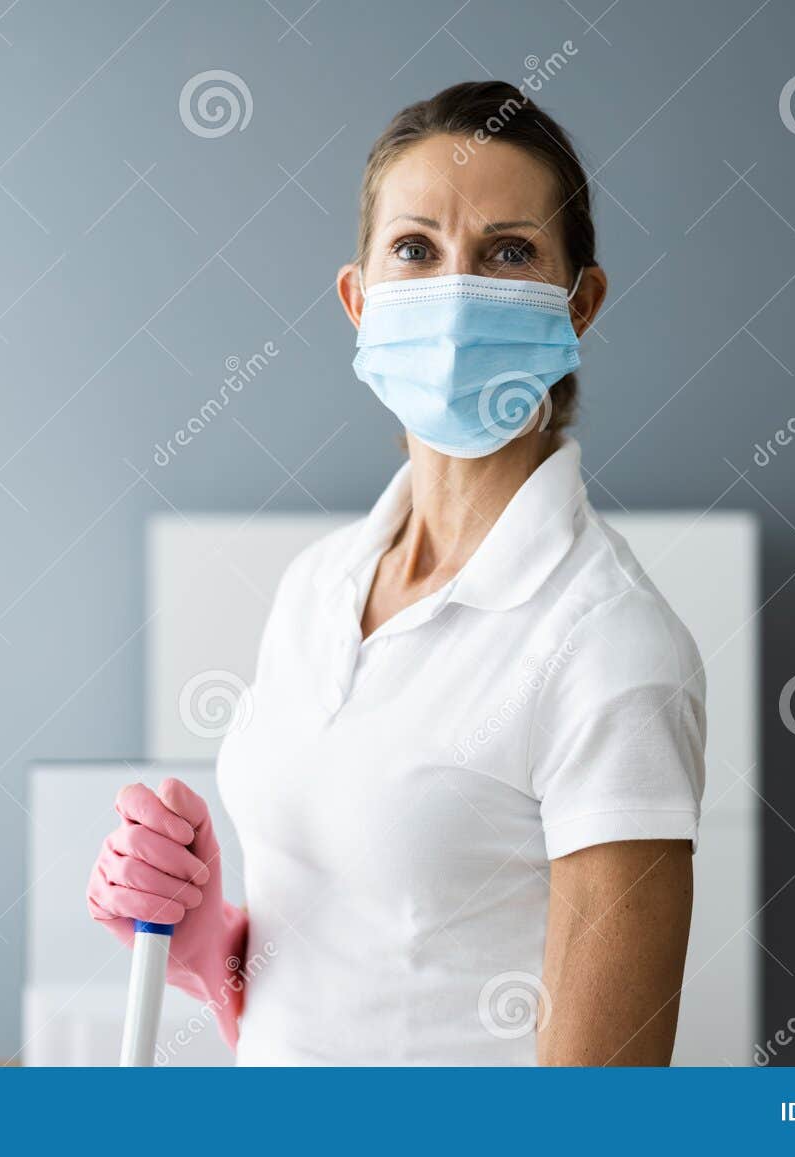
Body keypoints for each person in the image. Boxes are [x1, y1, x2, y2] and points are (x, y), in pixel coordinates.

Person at [88, 80, 705, 1065]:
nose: (454, 293)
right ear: (358, 299)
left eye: (508, 253)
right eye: (414, 250)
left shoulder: (610, 643)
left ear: (577, 302)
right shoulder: (316, 584)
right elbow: (353, 973)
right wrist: (205, 936)